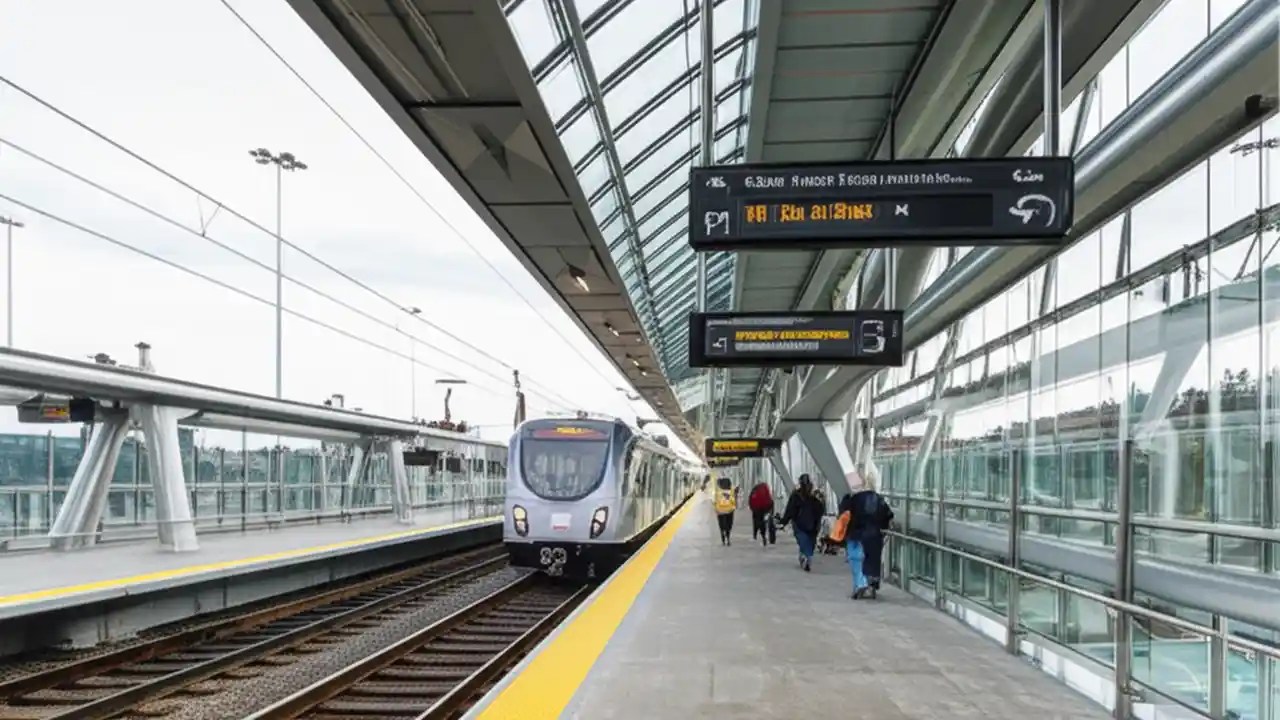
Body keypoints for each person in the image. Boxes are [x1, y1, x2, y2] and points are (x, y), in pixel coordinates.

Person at [839, 467, 894, 599]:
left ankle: (860, 583)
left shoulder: (853, 499)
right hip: (874, 535)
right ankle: (871, 581)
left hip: (856, 534)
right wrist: (883, 527)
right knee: (871, 559)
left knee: (855, 558)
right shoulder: (879, 499)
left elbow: (844, 514)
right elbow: (888, 515)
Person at [779, 474, 824, 571]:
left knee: (805, 542)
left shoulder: (796, 496)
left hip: (800, 523)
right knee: (808, 542)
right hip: (812, 524)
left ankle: (805, 556)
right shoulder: (815, 496)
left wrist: (784, 521)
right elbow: (821, 509)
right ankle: (806, 557)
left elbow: (790, 510)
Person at [747, 481, 776, 547]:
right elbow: (770, 499)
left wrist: (752, 508)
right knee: (770, 522)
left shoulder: (755, 489)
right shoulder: (766, 488)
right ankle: (772, 540)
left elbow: (751, 499)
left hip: (757, 509)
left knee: (758, 522)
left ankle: (759, 537)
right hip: (767, 508)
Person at [713, 475, 737, 546]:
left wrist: (716, 508)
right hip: (729, 510)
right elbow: (733, 501)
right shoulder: (731, 490)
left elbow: (714, 501)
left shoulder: (717, 491)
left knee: (722, 525)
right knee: (729, 525)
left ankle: (723, 537)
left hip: (720, 511)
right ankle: (728, 537)